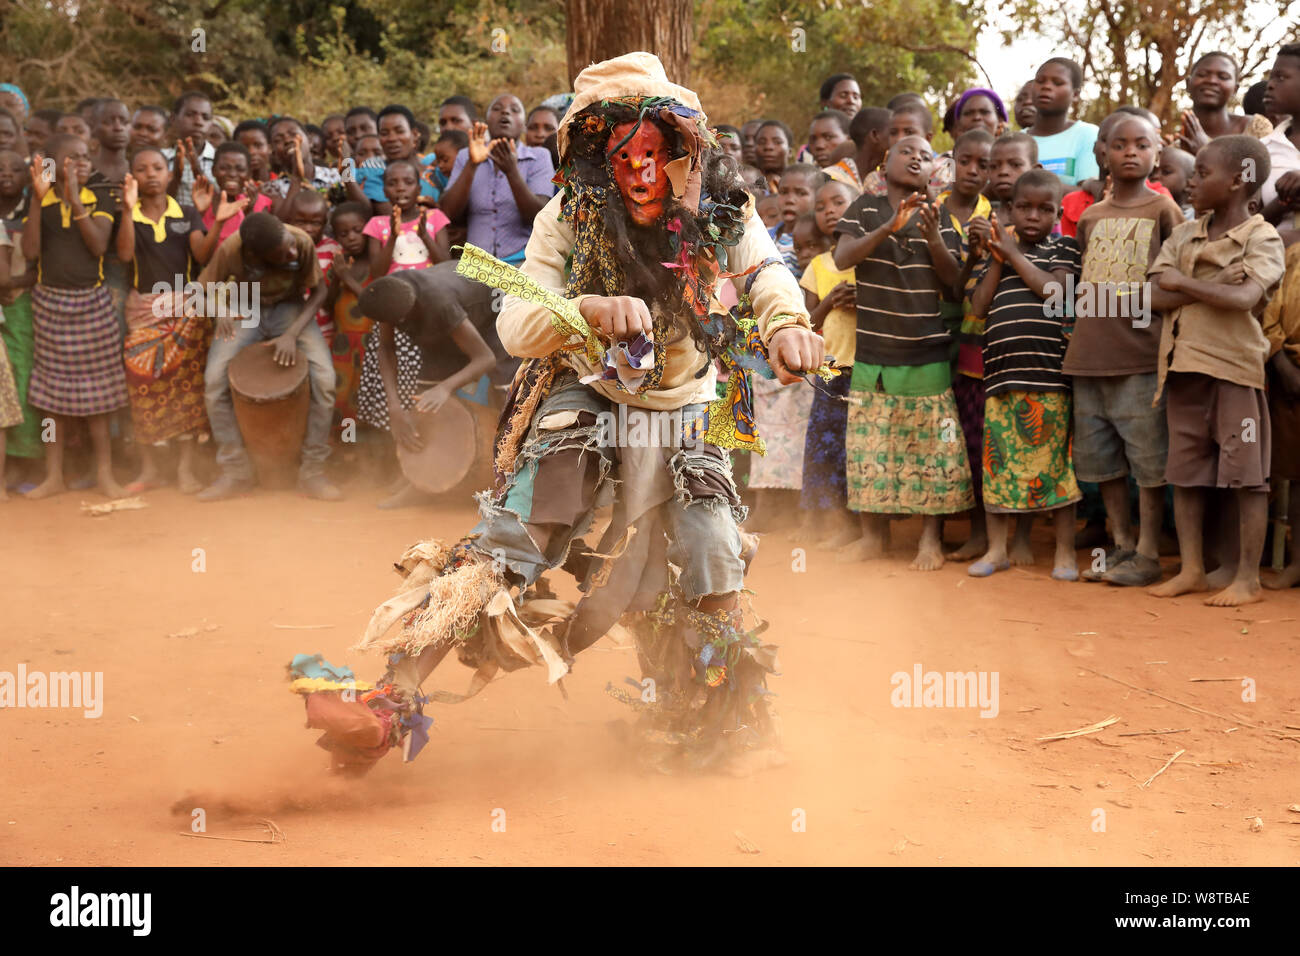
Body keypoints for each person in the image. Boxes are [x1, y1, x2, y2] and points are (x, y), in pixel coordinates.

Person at [295, 52, 824, 776]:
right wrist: (583, 310)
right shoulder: (562, 219)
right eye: (623, 152)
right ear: (594, 157)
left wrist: (788, 322)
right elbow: (515, 322)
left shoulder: (723, 208)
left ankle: (727, 722)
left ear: (683, 150)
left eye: (656, 149)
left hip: (687, 413)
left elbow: (762, 269)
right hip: (587, 400)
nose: (642, 170)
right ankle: (392, 696)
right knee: (516, 536)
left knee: (711, 554)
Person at [1147, 136, 1285, 606]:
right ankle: (1192, 569)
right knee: (1184, 475)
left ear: (1239, 180)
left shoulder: (1261, 237)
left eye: (1203, 173)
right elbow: (1151, 295)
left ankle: (1247, 578)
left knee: (1247, 478)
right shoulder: (1185, 233)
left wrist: (1185, 282)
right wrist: (1209, 285)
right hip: (1183, 368)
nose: (1191, 180)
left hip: (1235, 373)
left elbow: (1244, 298)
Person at [834, 135, 971, 569]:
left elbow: (954, 282)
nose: (916, 157)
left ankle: (930, 540)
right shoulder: (864, 209)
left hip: (926, 351)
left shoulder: (941, 215)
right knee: (870, 448)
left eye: (926, 155)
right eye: (906, 151)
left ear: (933, 170)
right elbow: (841, 258)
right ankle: (873, 538)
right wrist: (888, 226)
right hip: (873, 352)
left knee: (932, 451)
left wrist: (932, 237)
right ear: (886, 161)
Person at [1067, 113, 1184, 586]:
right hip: (1089, 358)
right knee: (1102, 464)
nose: (1130, 152)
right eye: (1120, 145)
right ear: (1104, 153)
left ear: (1156, 153)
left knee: (1149, 463)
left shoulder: (1164, 212)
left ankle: (1151, 553)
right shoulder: (1091, 216)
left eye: (1141, 145)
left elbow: (1176, 283)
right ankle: (1122, 546)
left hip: (1139, 357)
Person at [965, 169, 1082, 579]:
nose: (1034, 215)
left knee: (1056, 468)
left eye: (1045, 208)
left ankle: (1064, 552)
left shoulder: (1062, 248)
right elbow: (978, 308)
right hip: (1000, 378)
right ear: (1009, 209)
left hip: (1049, 378)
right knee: (998, 468)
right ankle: (997, 550)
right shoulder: (996, 254)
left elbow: (1058, 293)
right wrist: (999, 256)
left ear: (1057, 212)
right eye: (1024, 207)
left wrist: (1014, 254)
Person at [196, 212, 340, 501]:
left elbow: (319, 291)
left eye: (289, 246)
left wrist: (292, 334)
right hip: (245, 309)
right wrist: (220, 310)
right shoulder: (233, 249)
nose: (291, 252)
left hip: (290, 310)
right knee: (214, 383)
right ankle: (236, 471)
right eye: (280, 254)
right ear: (255, 256)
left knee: (325, 379)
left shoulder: (301, 241)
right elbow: (200, 290)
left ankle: (313, 470)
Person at [115, 147, 235, 494]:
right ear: (132, 177)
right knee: (141, 386)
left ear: (170, 175)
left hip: (185, 310)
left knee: (187, 393)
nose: (151, 174)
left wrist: (219, 220)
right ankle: (150, 469)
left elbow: (201, 255)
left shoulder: (185, 213)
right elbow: (124, 255)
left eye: (158, 168)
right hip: (143, 313)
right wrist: (126, 211)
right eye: (142, 168)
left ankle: (185, 470)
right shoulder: (129, 214)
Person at [20, 134, 127, 499]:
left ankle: (105, 474)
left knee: (99, 401)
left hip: (91, 304)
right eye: (71, 159)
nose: (80, 163)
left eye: (85, 157)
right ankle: (53, 475)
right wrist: (36, 199)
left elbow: (98, 244)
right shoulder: (41, 199)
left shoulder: (100, 197)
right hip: (49, 304)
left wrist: (77, 198)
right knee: (51, 401)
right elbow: (31, 251)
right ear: (52, 163)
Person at [357, 262, 507, 509]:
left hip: (494, 315)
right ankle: (420, 484)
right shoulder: (389, 293)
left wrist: (445, 388)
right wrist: (393, 406)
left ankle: (512, 487)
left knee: (510, 399)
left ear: (410, 312)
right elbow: (385, 347)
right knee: (423, 401)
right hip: (448, 320)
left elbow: (485, 358)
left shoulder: (439, 302)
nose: (397, 328)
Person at [938, 128, 995, 560]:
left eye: (985, 164)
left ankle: (980, 531)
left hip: (980, 344)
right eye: (967, 160)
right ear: (952, 160)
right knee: (943, 436)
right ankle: (934, 529)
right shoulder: (933, 211)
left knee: (976, 438)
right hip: (937, 339)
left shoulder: (995, 216)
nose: (974, 171)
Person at [799, 180, 860, 546]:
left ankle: (856, 527)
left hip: (865, 369)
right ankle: (831, 523)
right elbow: (805, 319)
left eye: (839, 202)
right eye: (821, 206)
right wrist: (831, 302)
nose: (830, 210)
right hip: (830, 371)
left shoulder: (868, 261)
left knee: (856, 448)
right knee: (826, 449)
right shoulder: (818, 266)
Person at [439, 93, 555, 264]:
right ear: (486, 122)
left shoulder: (539, 157)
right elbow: (448, 213)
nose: (505, 113)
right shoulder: (466, 156)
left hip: (524, 261)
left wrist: (512, 172)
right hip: (475, 264)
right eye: (497, 109)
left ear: (523, 125)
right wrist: (472, 165)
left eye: (514, 110)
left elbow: (539, 217)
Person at [0, 152, 41, 484]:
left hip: (23, 305)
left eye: (16, 169)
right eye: (0, 169)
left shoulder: (34, 211)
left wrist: (11, 284)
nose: (7, 174)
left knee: (23, 376)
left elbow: (42, 263)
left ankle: (27, 456)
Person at [1261, 242, 1300, 589]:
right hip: (1293, 378)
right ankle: (1297, 562)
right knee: (1297, 477)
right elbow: (1269, 316)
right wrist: (1283, 365)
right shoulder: (1292, 255)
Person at [320, 202, 372, 428]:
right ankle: (341, 442)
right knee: (339, 393)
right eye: (343, 233)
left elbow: (373, 304)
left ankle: (361, 442)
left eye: (357, 231)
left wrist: (347, 278)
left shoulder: (374, 263)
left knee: (362, 393)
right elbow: (328, 304)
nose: (351, 237)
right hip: (342, 341)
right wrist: (339, 276)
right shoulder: (338, 264)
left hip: (368, 342)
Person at [1177, 52, 1273, 154]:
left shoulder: (1256, 128)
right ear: (1188, 84)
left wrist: (1206, 151)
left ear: (1235, 89)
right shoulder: (1177, 145)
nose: (1212, 81)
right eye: (1202, 75)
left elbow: (1261, 169)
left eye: (1223, 77)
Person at [1026, 57, 1099, 187]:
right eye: (1040, 81)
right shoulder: (1017, 139)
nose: (1046, 87)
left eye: (1057, 83)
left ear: (1075, 94)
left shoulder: (1088, 135)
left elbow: (1087, 195)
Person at [1260, 44, 1300, 239]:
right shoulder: (1253, 152)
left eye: (1281, 77)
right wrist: (1283, 202)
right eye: (1271, 77)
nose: (1270, 85)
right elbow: (1243, 220)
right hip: (1274, 262)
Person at [202, 141, 272, 243]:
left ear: (249, 173)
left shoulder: (259, 203)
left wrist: (249, 211)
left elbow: (260, 244)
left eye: (240, 169)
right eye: (224, 168)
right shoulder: (204, 202)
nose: (232, 174)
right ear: (213, 171)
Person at [162, 91, 215, 206]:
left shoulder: (220, 160)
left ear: (211, 123)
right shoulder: (160, 159)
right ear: (173, 118)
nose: (198, 122)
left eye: (205, 117)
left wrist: (197, 171)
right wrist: (176, 177)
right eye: (190, 115)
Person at [985, 133, 1038, 214]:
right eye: (994, 166)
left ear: (1035, 170)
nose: (1003, 172)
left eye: (1015, 165)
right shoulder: (980, 217)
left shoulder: (1045, 221)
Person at [1151, 146, 1195, 219]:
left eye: (1166, 172)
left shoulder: (1194, 217)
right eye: (1151, 173)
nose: (1155, 176)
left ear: (1189, 183)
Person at [753, 119, 793, 192]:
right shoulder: (743, 184)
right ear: (754, 149)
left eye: (777, 142)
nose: (768, 147)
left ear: (790, 151)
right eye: (762, 142)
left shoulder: (806, 183)